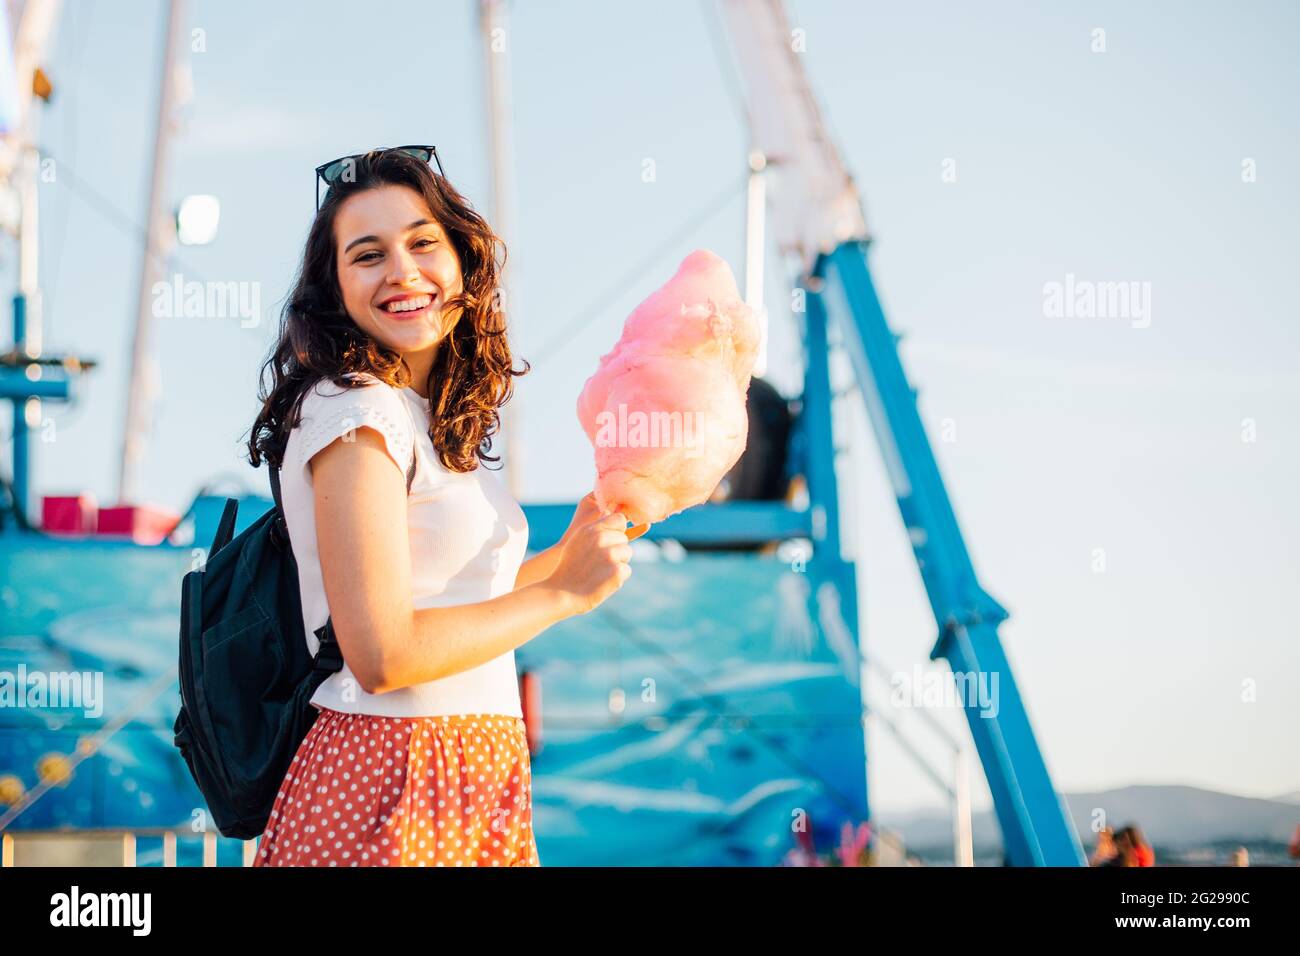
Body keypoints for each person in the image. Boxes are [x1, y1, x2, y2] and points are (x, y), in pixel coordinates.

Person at [244, 146, 644, 866]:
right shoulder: (355, 411)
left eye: (423, 243)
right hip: (392, 776)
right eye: (367, 255)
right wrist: (562, 594)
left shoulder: (421, 416)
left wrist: (575, 550)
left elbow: (458, 601)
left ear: (463, 262)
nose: (402, 271)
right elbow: (383, 654)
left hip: (467, 772)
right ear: (334, 289)